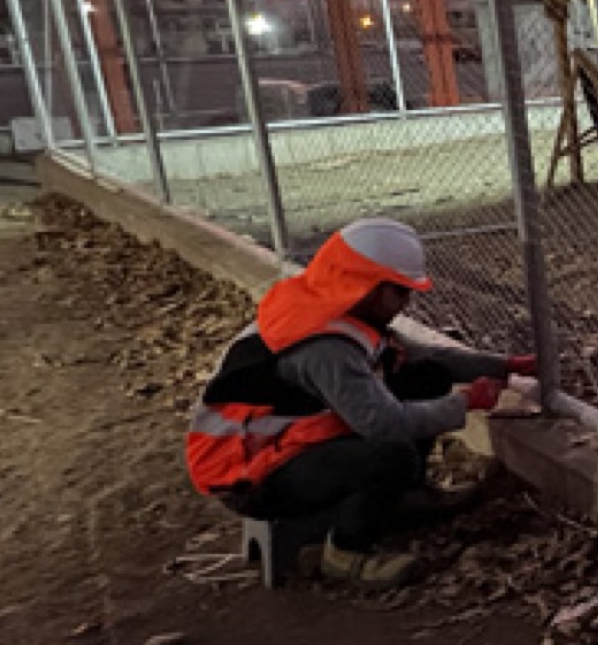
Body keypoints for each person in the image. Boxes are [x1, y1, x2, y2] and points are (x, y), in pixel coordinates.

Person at [184, 217, 531, 589]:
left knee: (425, 376)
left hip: (277, 450)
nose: (407, 301)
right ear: (367, 287)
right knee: (391, 454)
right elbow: (385, 425)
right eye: (400, 291)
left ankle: (404, 499)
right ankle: (345, 553)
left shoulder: (327, 309)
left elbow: (417, 356)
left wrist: (503, 367)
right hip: (250, 479)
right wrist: (464, 402)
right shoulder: (325, 347)